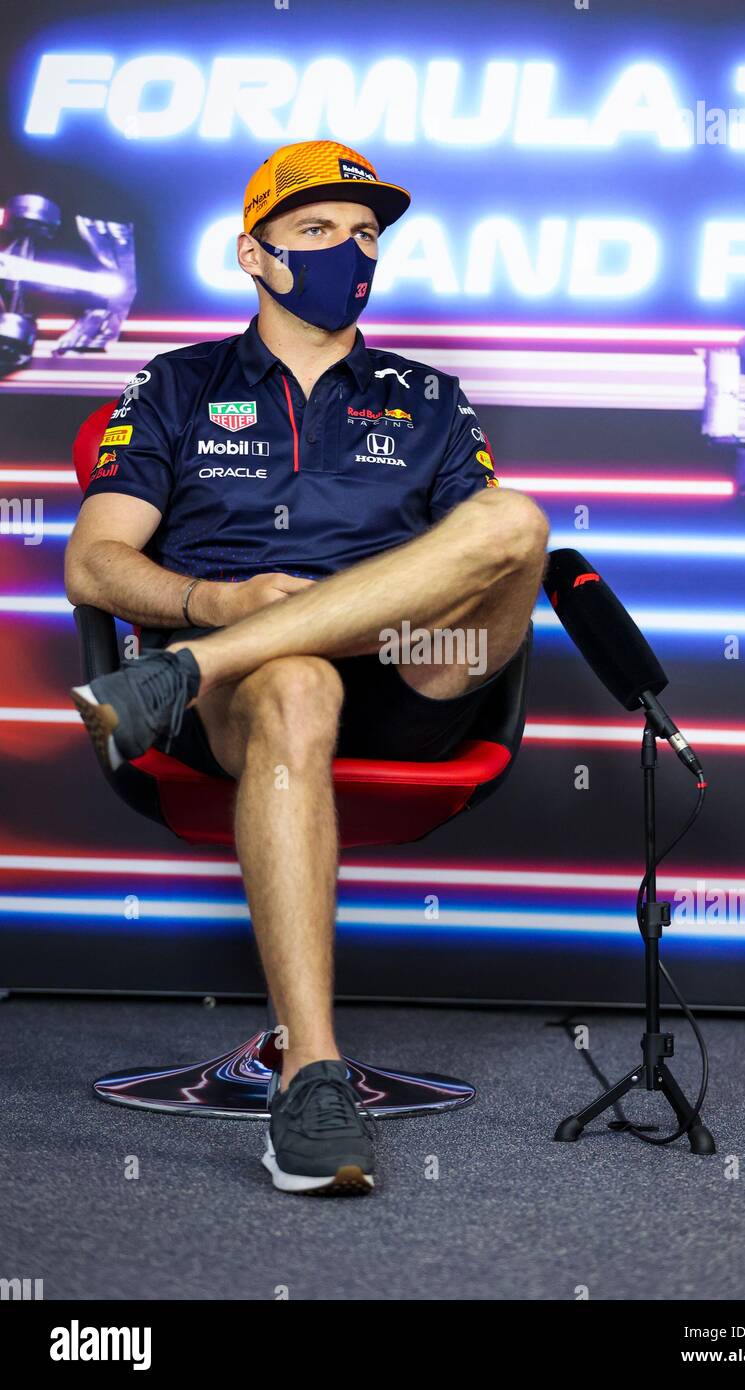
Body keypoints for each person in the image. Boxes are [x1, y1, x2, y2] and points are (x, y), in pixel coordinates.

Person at [66, 140, 549, 1195]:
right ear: (255, 253)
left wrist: (213, 644)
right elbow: (92, 561)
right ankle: (311, 1076)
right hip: (248, 698)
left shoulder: (427, 396)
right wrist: (218, 605)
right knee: (293, 680)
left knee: (512, 520)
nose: (350, 251)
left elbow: (478, 573)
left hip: (413, 671)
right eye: (319, 230)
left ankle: (181, 674)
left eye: (366, 234)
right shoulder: (177, 383)